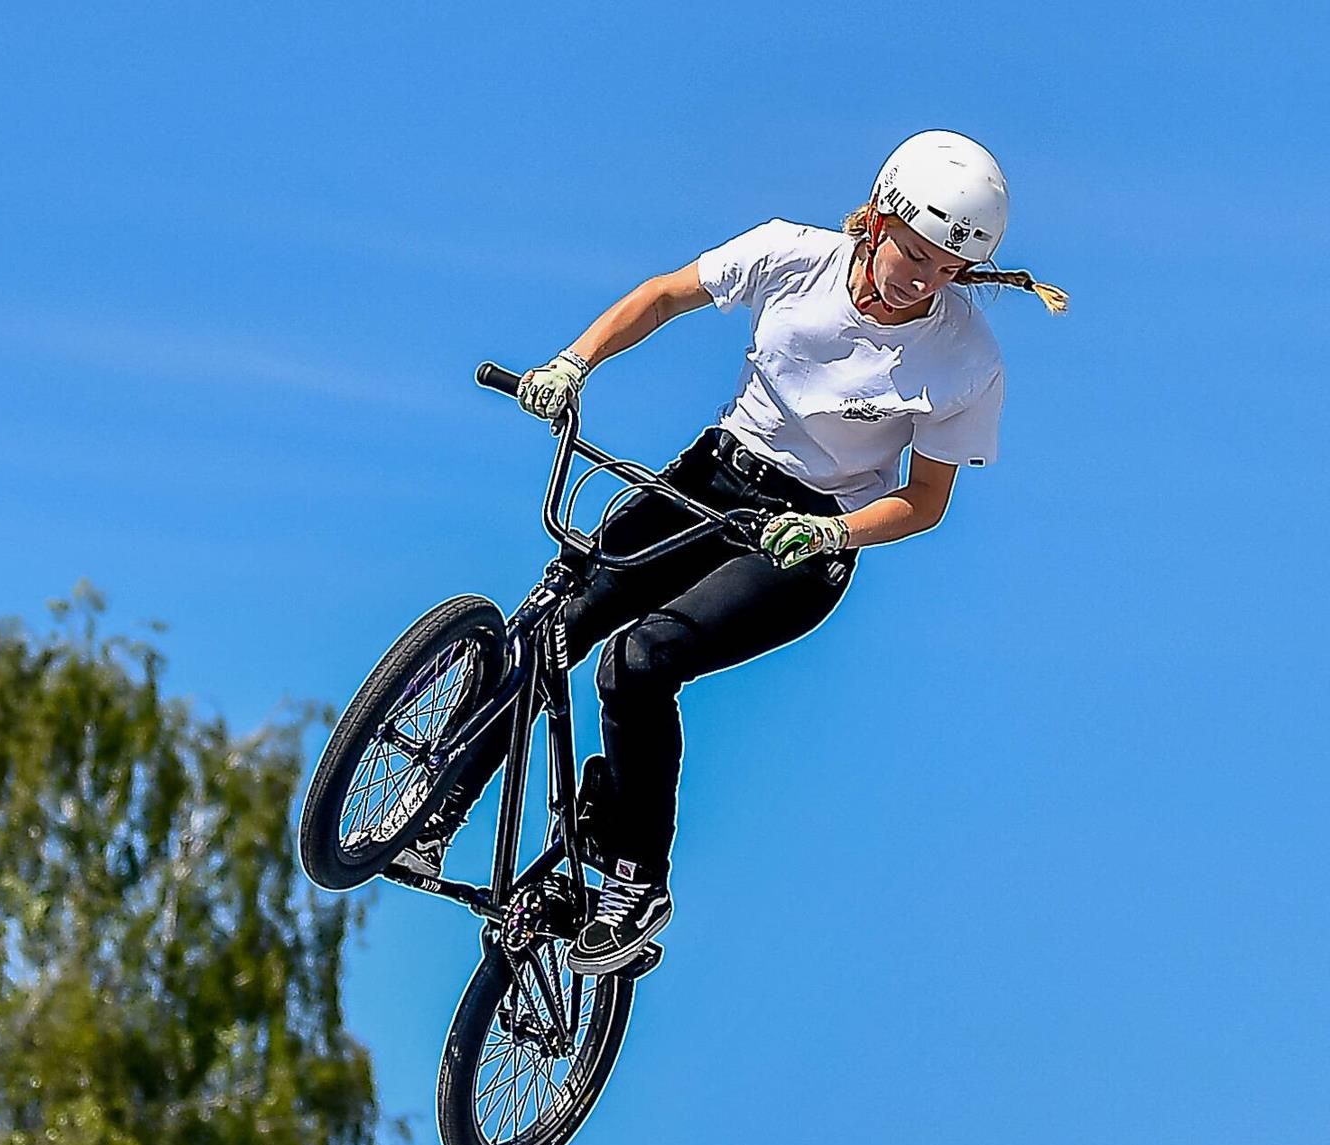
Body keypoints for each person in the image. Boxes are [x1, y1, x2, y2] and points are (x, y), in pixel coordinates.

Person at [369, 130, 1066, 973]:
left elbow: (923, 502)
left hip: (809, 536)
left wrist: (832, 531)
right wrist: (572, 363)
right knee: (549, 622)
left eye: (945, 271)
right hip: (713, 476)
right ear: (878, 218)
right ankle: (430, 816)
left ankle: (635, 880)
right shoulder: (789, 255)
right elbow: (665, 296)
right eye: (913, 254)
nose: (921, 281)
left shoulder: (966, 360)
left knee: (638, 661)